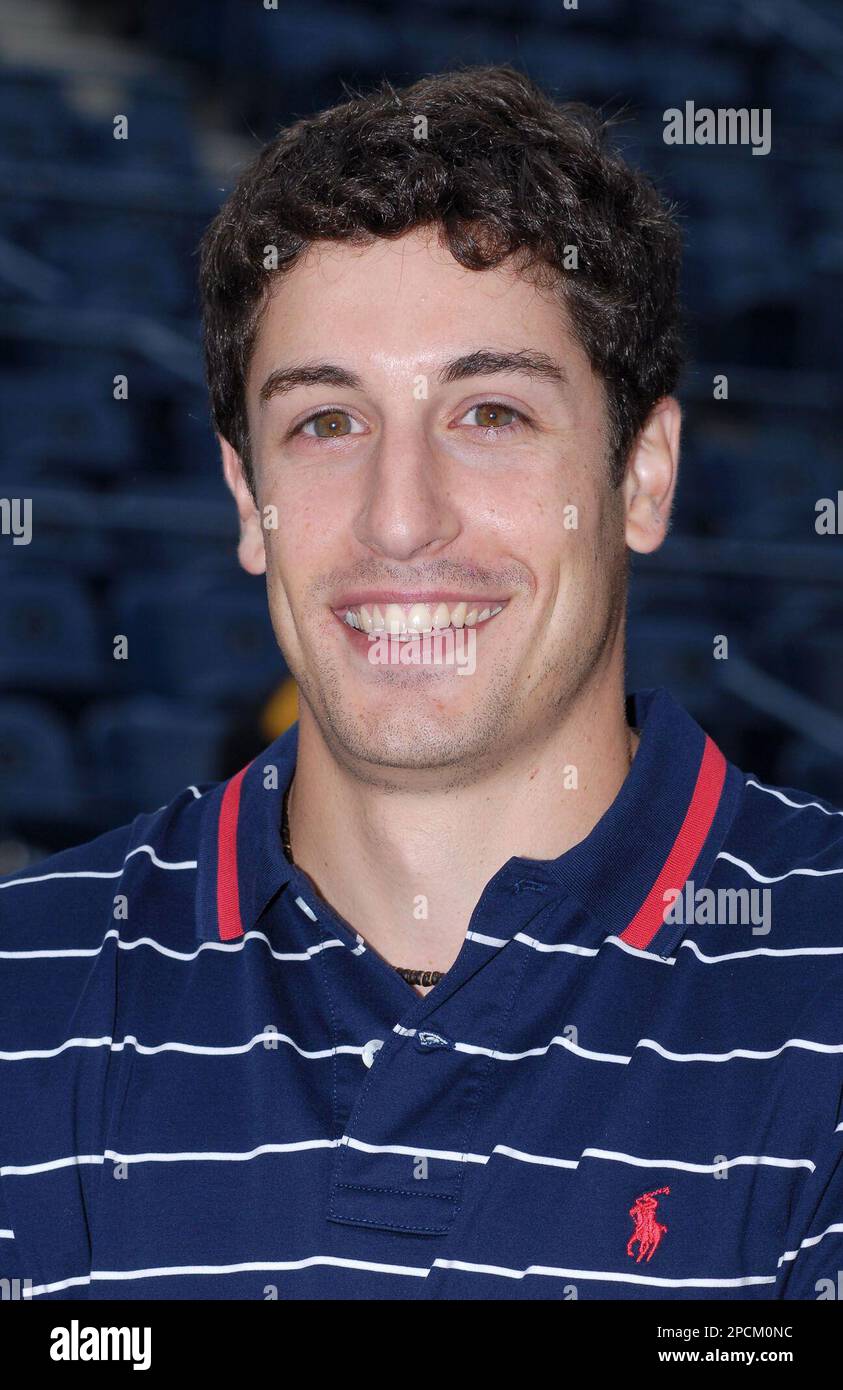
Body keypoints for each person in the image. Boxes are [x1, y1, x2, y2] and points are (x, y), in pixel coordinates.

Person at [1, 65, 840, 1302]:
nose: (400, 520)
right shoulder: (25, 990)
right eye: (327, 423)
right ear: (249, 500)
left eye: (490, 412)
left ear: (644, 477)